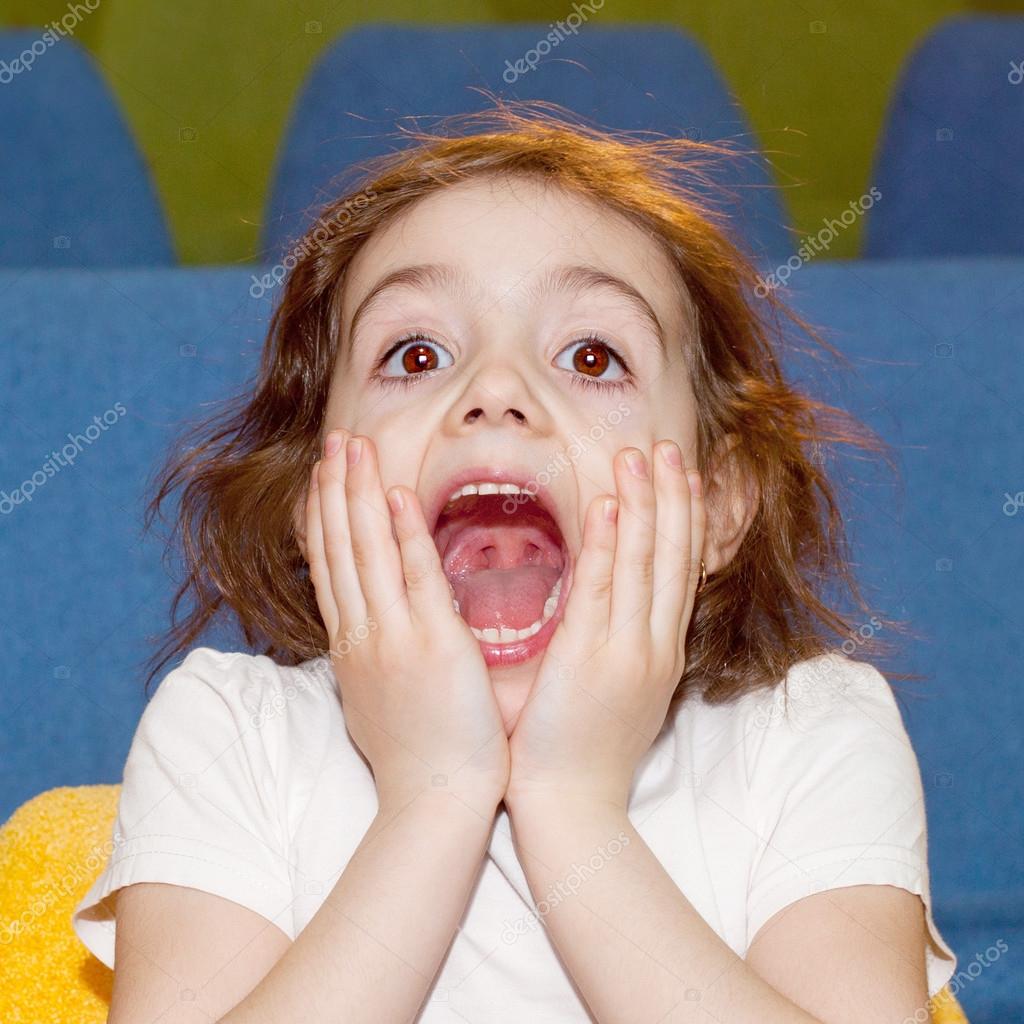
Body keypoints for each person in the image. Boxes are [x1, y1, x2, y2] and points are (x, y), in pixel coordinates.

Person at [72, 101, 958, 1023]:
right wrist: (432, 798)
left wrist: (571, 803)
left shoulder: (810, 731)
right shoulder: (230, 731)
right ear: (311, 501)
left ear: (720, 503)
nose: (495, 391)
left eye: (590, 353)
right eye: (416, 354)